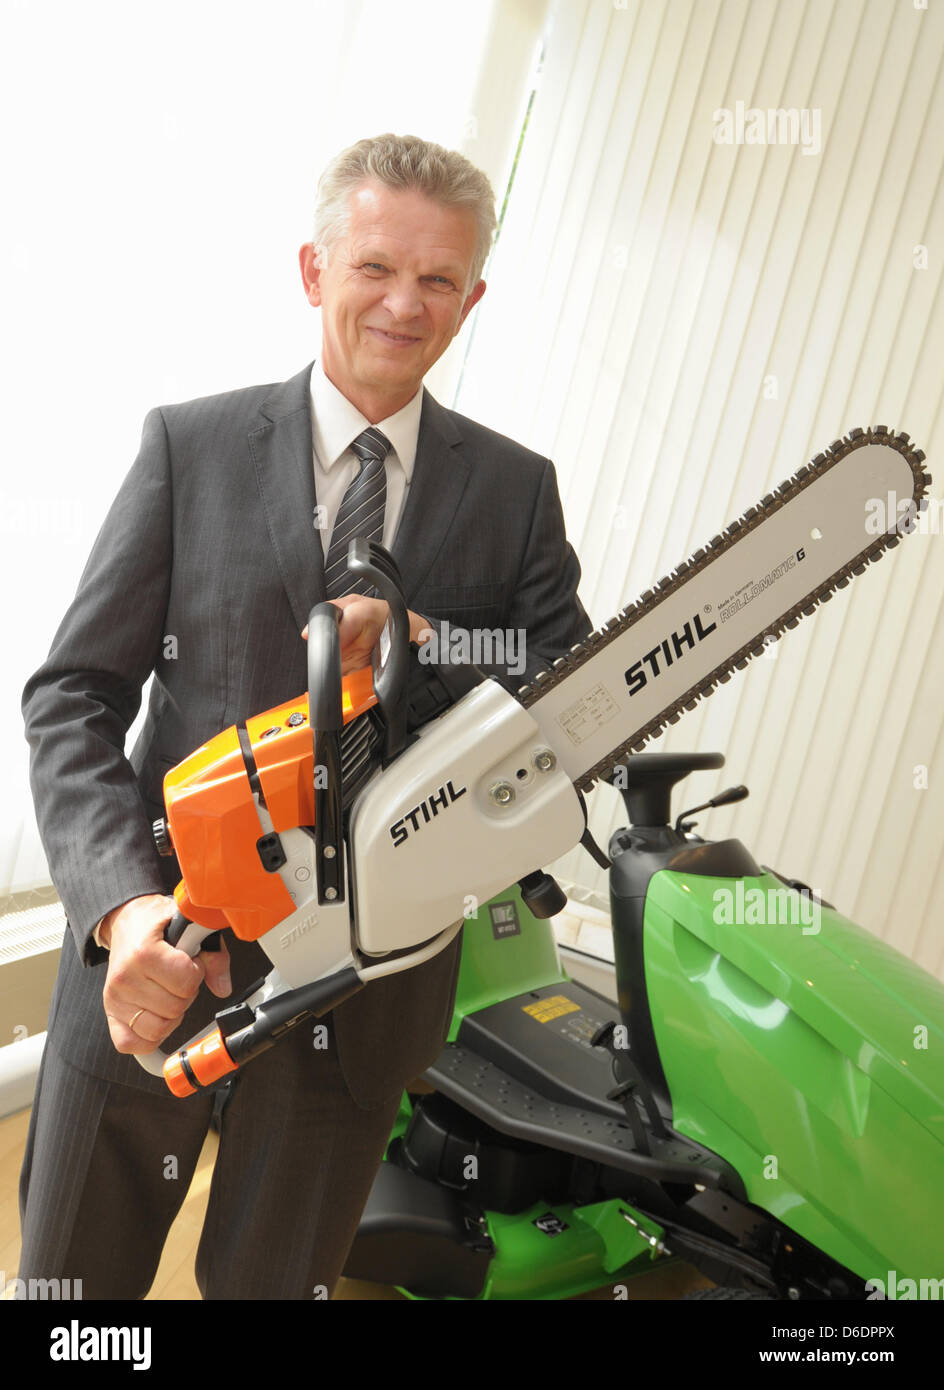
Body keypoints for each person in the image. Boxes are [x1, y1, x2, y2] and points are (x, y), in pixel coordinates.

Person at [18, 133, 592, 1300]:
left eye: (438, 280)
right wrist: (122, 913)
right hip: (161, 957)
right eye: (375, 267)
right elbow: (72, 695)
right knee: (69, 1297)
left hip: (364, 991)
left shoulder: (514, 489)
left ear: (471, 296)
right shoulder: (191, 445)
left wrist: (426, 641)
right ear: (312, 270)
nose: (403, 303)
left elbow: (562, 685)